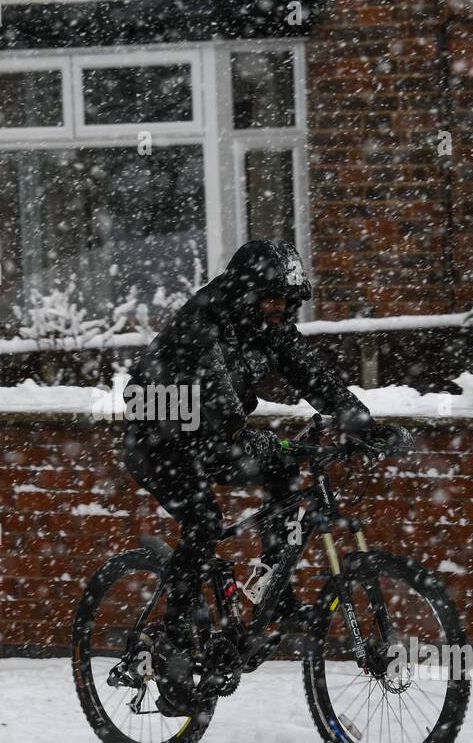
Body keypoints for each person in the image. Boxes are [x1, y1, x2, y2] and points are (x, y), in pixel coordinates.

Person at [124, 239, 405, 649]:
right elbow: (212, 387)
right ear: (247, 291)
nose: (279, 309)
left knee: (285, 469)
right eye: (273, 298)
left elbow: (312, 375)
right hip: (159, 441)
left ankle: (271, 592)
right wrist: (238, 430)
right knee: (202, 522)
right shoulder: (203, 321)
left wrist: (363, 425)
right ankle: (174, 632)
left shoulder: (266, 326)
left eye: (287, 301)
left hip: (212, 438)